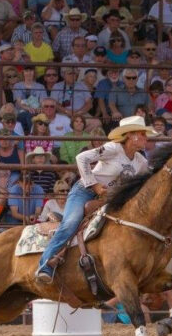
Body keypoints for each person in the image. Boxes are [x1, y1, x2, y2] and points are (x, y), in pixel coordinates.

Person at [35, 115, 155, 283]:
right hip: (84, 191)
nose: (146, 138)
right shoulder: (113, 148)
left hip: (109, 198)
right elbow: (81, 158)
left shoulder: (141, 161)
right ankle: (45, 265)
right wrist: (94, 185)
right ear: (130, 135)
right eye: (142, 134)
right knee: (70, 223)